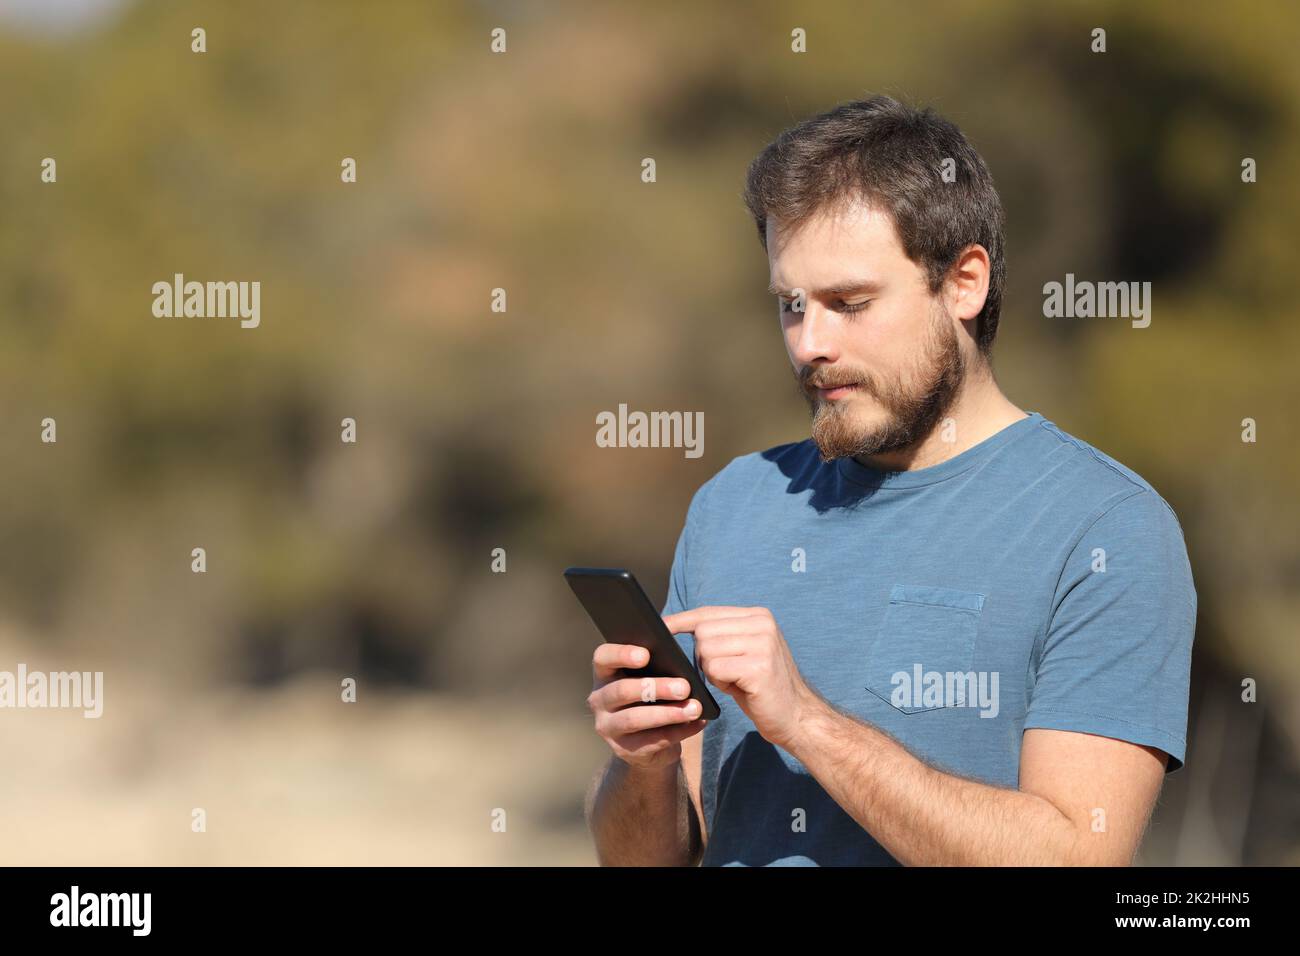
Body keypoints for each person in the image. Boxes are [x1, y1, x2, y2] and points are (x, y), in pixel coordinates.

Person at [584, 95, 1196, 866]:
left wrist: (806, 722)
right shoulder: (734, 503)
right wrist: (643, 766)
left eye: (850, 303)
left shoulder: (1107, 528)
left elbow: (1077, 858)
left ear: (964, 283)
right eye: (791, 306)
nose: (810, 344)